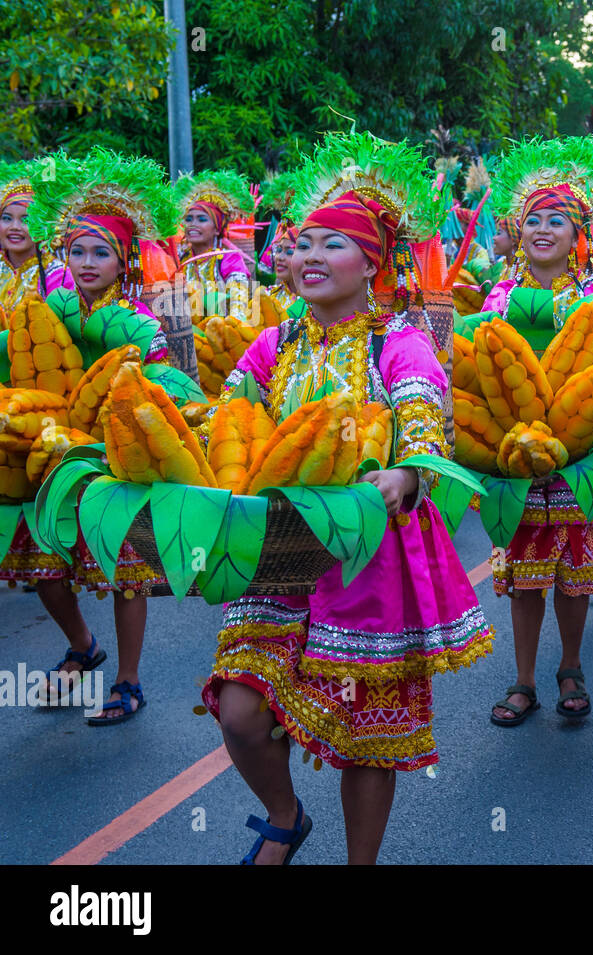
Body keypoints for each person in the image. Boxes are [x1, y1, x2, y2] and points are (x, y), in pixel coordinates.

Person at [198, 131, 494, 864]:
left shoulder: (399, 344)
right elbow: (228, 422)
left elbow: (428, 425)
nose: (308, 258)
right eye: (302, 244)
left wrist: (407, 474)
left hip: (369, 560)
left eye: (332, 245)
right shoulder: (272, 346)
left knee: (367, 733)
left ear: (373, 265)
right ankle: (283, 814)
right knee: (239, 708)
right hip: (277, 550)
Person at [482, 137, 593, 726]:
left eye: (559, 221)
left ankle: (571, 666)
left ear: (580, 237)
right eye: (534, 220)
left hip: (583, 452)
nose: (544, 229)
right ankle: (524, 678)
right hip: (517, 452)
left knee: (572, 573)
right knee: (525, 575)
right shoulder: (498, 296)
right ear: (519, 231)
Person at [19, 147, 178, 724]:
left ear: (124, 262)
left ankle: (129, 680)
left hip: (118, 458)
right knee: (41, 561)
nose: (87, 262)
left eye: (101, 253)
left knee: (123, 571)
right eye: (76, 251)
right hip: (54, 453)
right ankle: (83, 647)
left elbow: (162, 388)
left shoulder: (141, 323)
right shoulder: (48, 307)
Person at [176, 171, 254, 324]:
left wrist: (232, 326)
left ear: (217, 229)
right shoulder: (180, 259)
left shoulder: (229, 258)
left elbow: (239, 302)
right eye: (189, 219)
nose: (193, 224)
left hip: (223, 335)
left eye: (202, 219)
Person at [0, 162, 72, 318]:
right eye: (6, 218)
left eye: (26, 220)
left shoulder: (59, 276)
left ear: (43, 226)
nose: (14, 227)